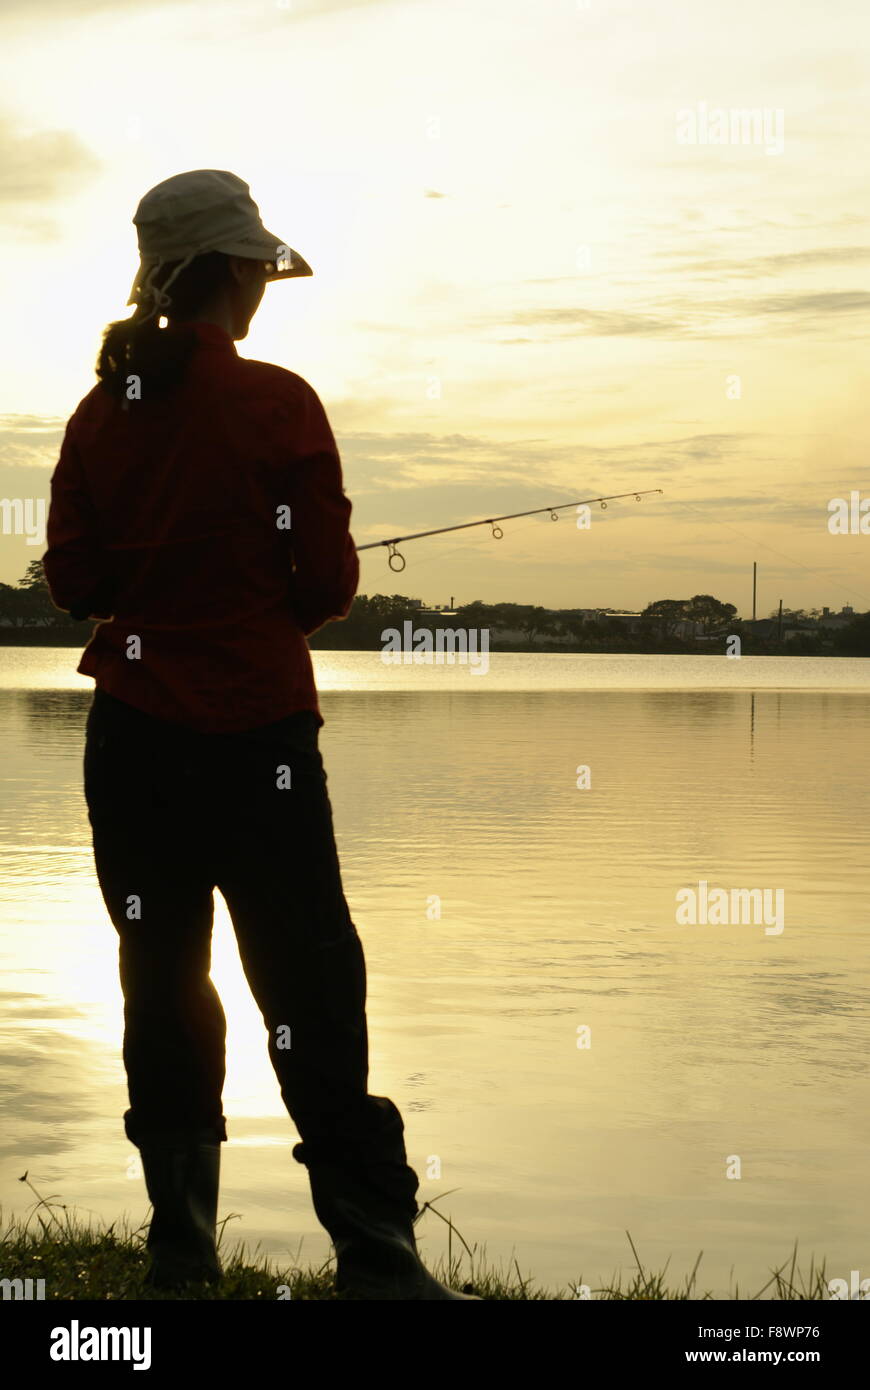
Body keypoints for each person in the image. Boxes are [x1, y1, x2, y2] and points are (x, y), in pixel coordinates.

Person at [43, 169, 479, 1300]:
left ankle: (181, 1248)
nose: (265, 291)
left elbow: (77, 582)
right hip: (263, 747)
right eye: (257, 273)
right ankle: (375, 1255)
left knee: (161, 975)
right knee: (310, 986)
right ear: (235, 272)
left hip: (132, 745)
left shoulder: (99, 416)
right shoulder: (282, 405)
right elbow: (328, 584)